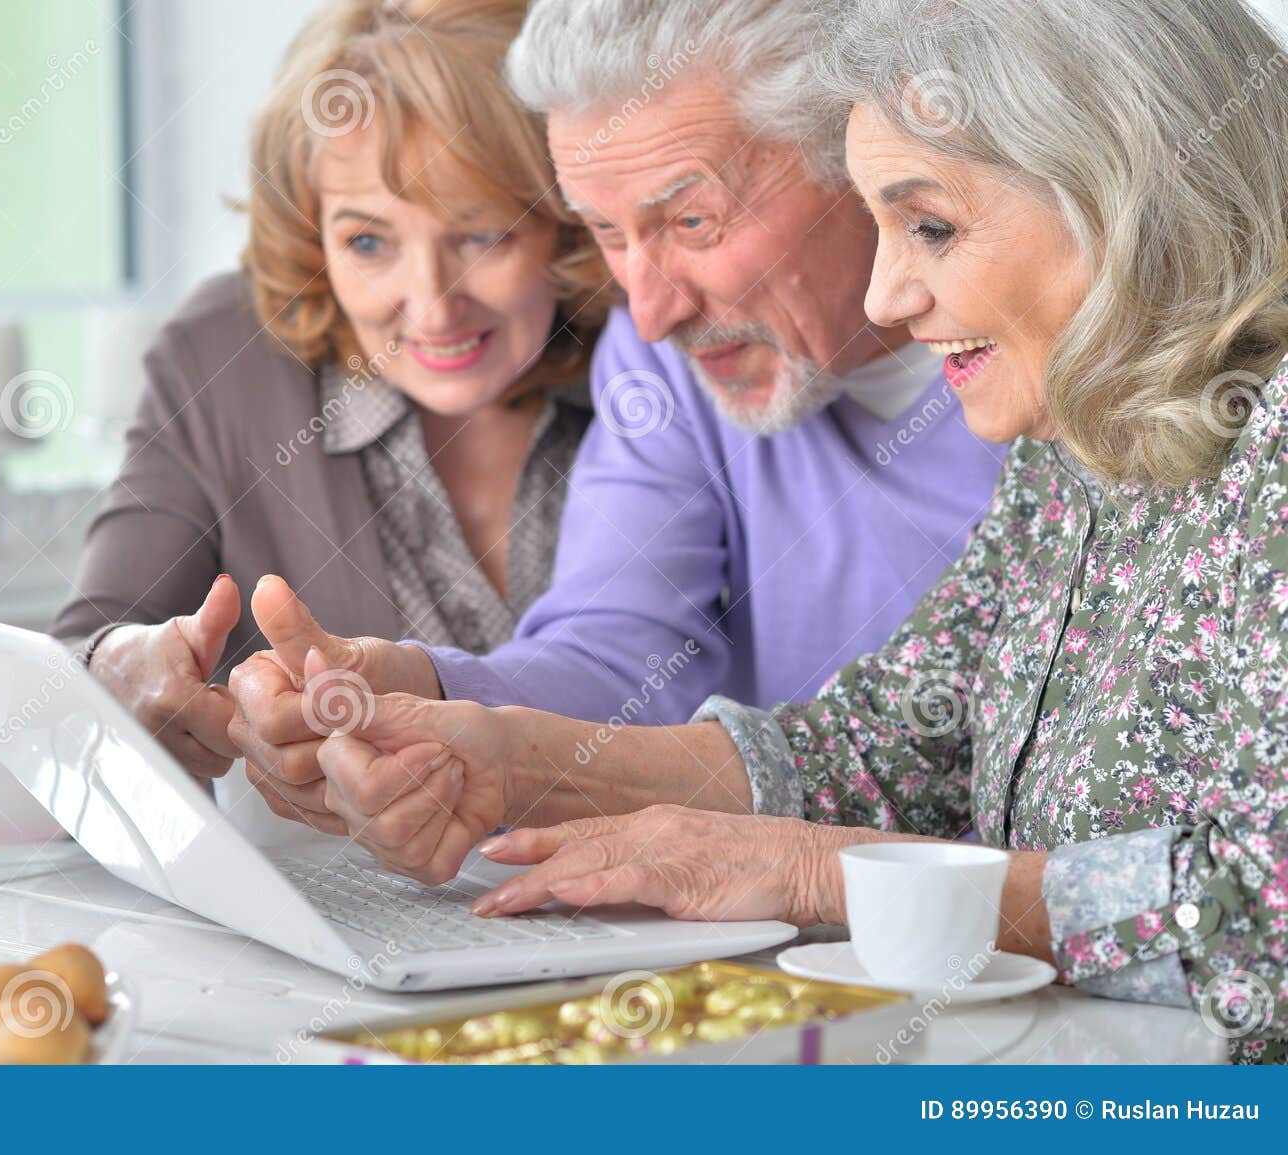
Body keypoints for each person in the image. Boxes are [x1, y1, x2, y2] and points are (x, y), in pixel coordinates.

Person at [311, 0, 1288, 1061]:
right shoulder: (1079, 437)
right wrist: (496, 757)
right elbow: (895, 743)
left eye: (930, 227)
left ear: (1120, 191)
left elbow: (1267, 910)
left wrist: (817, 873)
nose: (887, 292)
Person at [226, 0, 1004, 828]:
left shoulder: (1043, 361)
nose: (651, 312)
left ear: (859, 152)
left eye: (692, 221)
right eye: (604, 230)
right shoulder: (661, 361)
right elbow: (617, 653)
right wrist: (423, 692)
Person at [50, 0, 611, 790]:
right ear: (313, 233)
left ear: (570, 219)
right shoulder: (225, 357)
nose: (433, 307)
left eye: (483, 233)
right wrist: (119, 669)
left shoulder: (657, 363)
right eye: (368, 241)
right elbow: (74, 659)